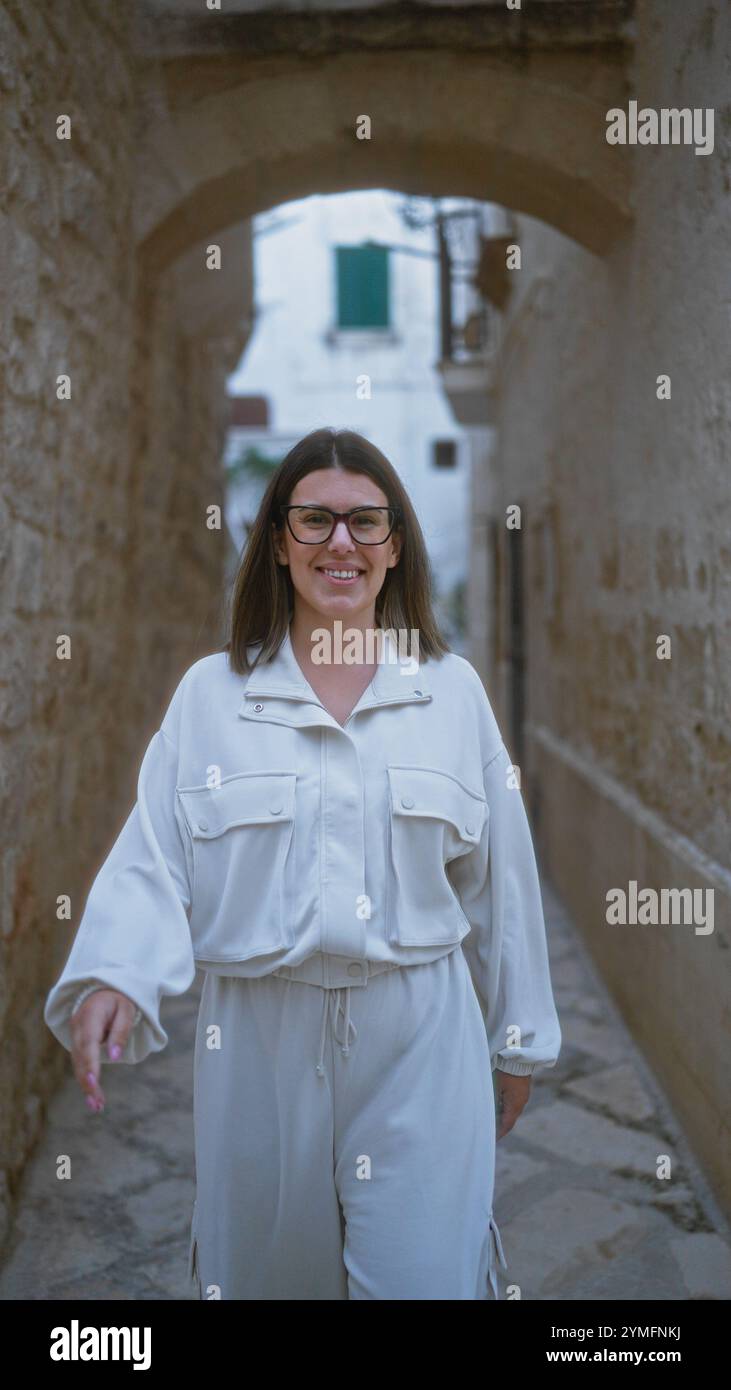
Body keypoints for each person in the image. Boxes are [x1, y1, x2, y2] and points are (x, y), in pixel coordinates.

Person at [44, 426, 561, 1300]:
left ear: (395, 546)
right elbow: (155, 857)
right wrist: (114, 975)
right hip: (255, 1042)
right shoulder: (212, 696)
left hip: (420, 1038)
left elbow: (503, 883)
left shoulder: (452, 694)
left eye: (365, 522)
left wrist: (516, 1041)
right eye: (313, 520)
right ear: (279, 543)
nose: (340, 544)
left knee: (423, 1282)